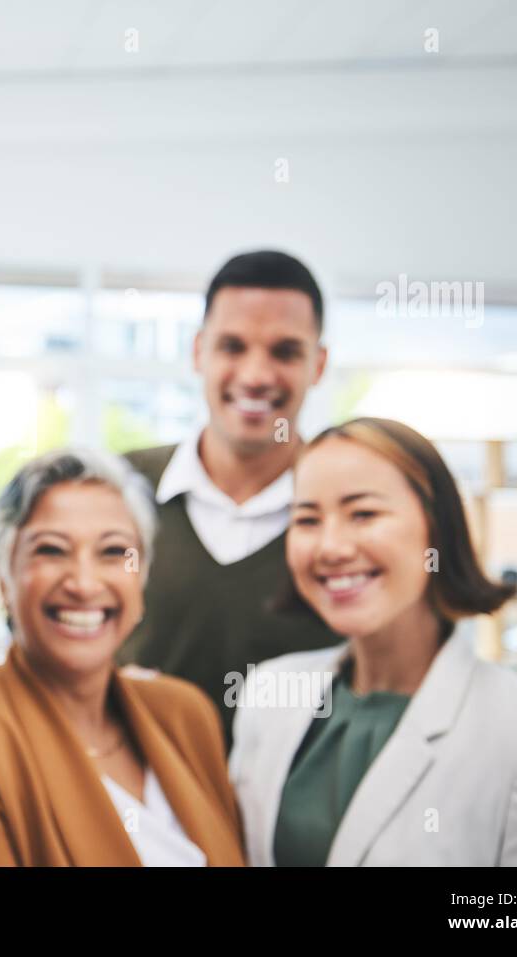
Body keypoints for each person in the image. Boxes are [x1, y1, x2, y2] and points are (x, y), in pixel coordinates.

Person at [229, 417, 517, 866]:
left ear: (437, 529)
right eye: (307, 519)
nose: (331, 547)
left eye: (364, 514)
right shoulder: (268, 693)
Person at [0, 449, 245, 866]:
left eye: (113, 552)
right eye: (52, 550)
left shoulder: (186, 714)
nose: (83, 583)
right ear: (5, 578)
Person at [118, 250, 342, 750]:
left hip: (299, 820)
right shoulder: (120, 488)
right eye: (233, 346)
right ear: (199, 352)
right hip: (129, 816)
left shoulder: (344, 511)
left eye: (285, 352)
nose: (256, 375)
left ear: (318, 364)